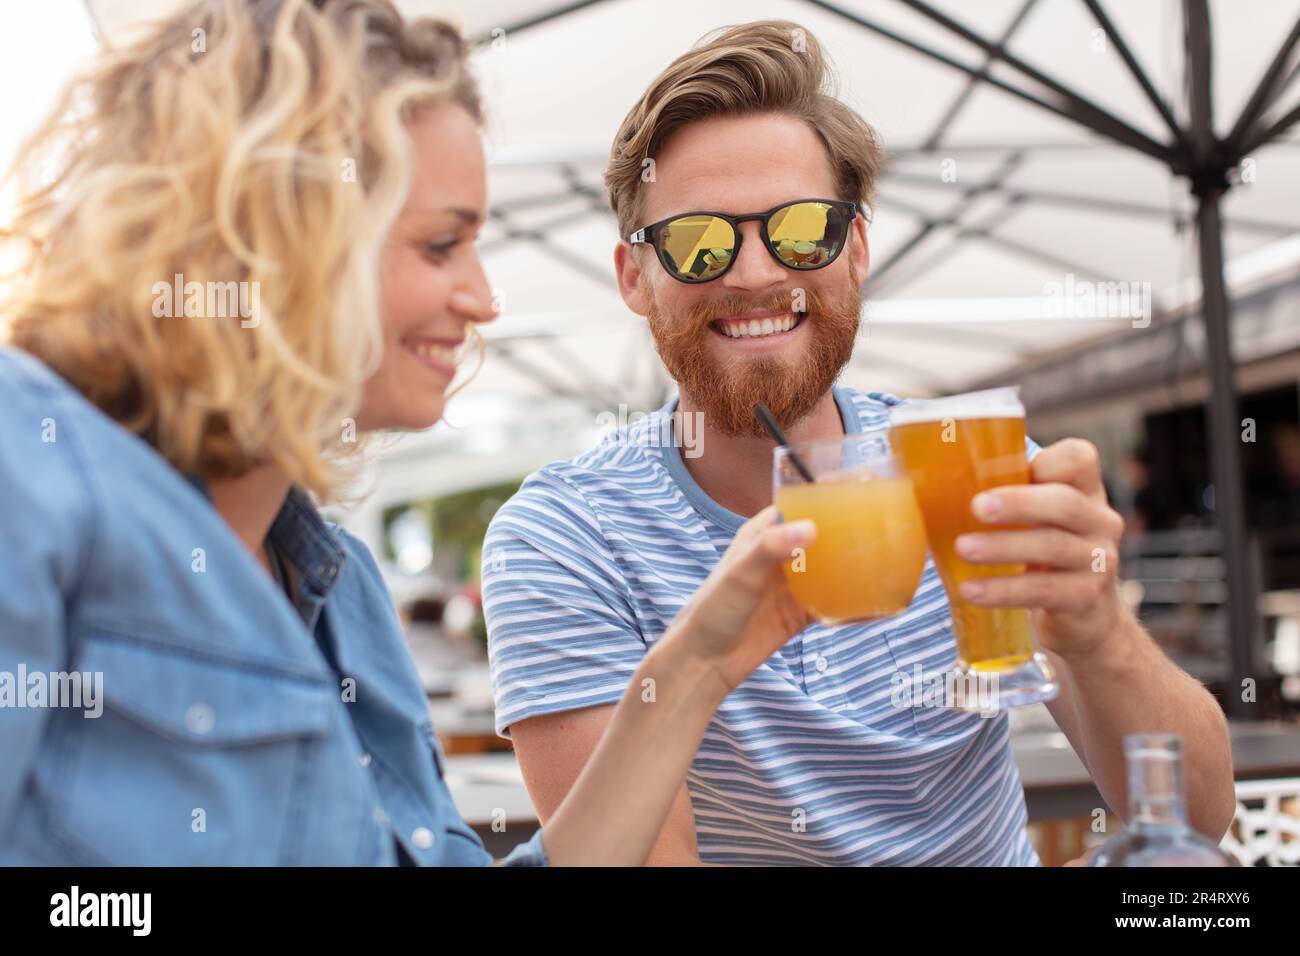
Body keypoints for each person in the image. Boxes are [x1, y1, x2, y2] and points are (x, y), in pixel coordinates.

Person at [0, 0, 816, 866]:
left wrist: (695, 667)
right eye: (441, 245)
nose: (483, 298)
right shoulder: (32, 475)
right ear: (275, 231)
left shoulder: (339, 589)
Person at [482, 20, 1236, 865]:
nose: (758, 272)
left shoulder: (964, 465)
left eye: (804, 227)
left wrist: (1099, 632)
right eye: (699, 243)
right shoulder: (565, 537)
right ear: (634, 278)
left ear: (857, 247)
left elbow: (1199, 819)